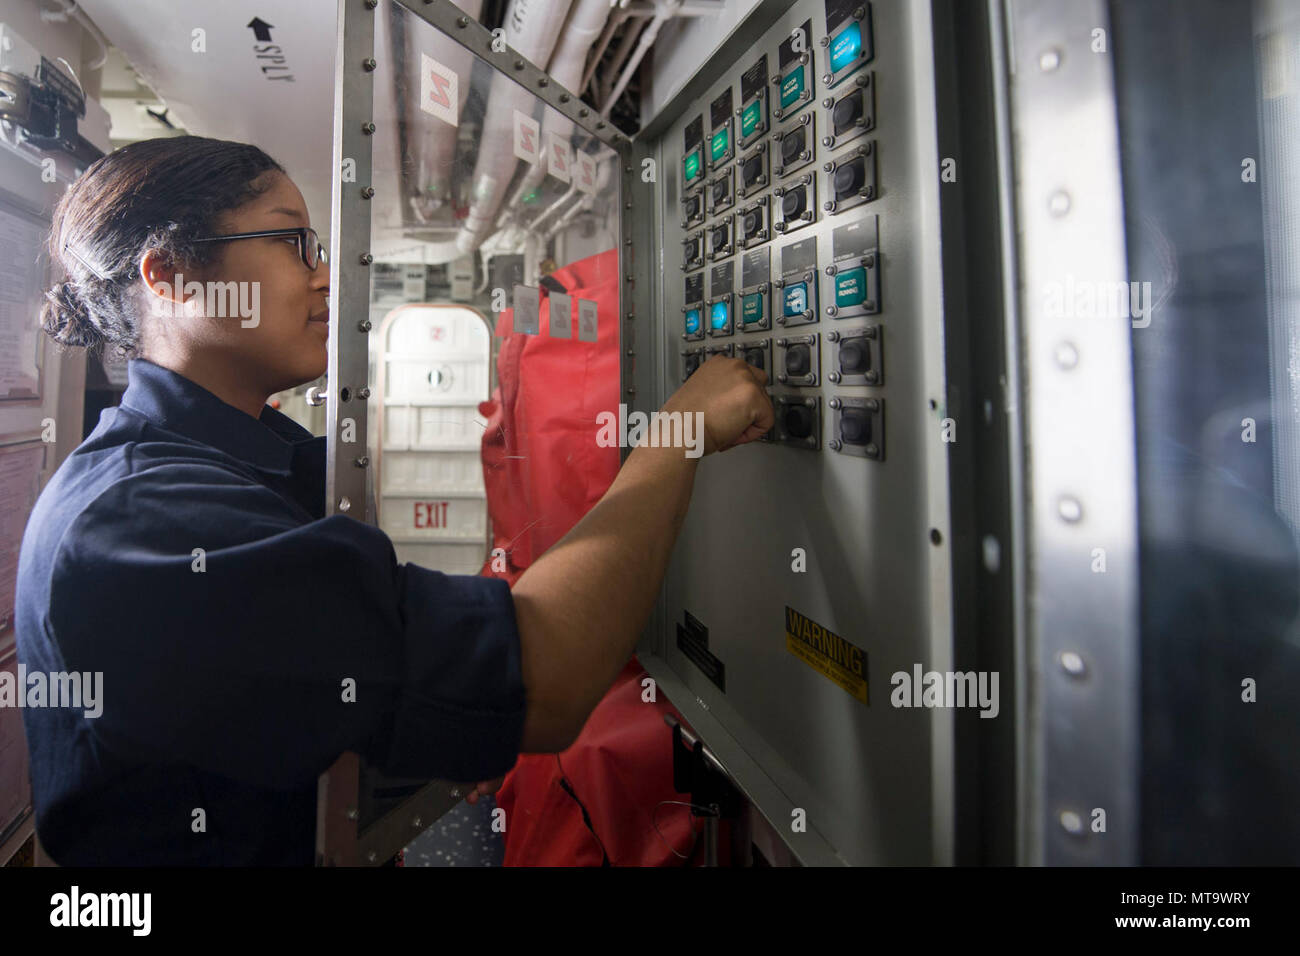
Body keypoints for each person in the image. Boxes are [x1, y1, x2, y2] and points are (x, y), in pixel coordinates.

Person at [13, 135, 773, 865]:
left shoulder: (221, 467)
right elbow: (548, 676)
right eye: (293, 244)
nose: (324, 275)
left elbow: (273, 700)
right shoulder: (145, 525)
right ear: (170, 274)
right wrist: (678, 435)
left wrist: (429, 729)